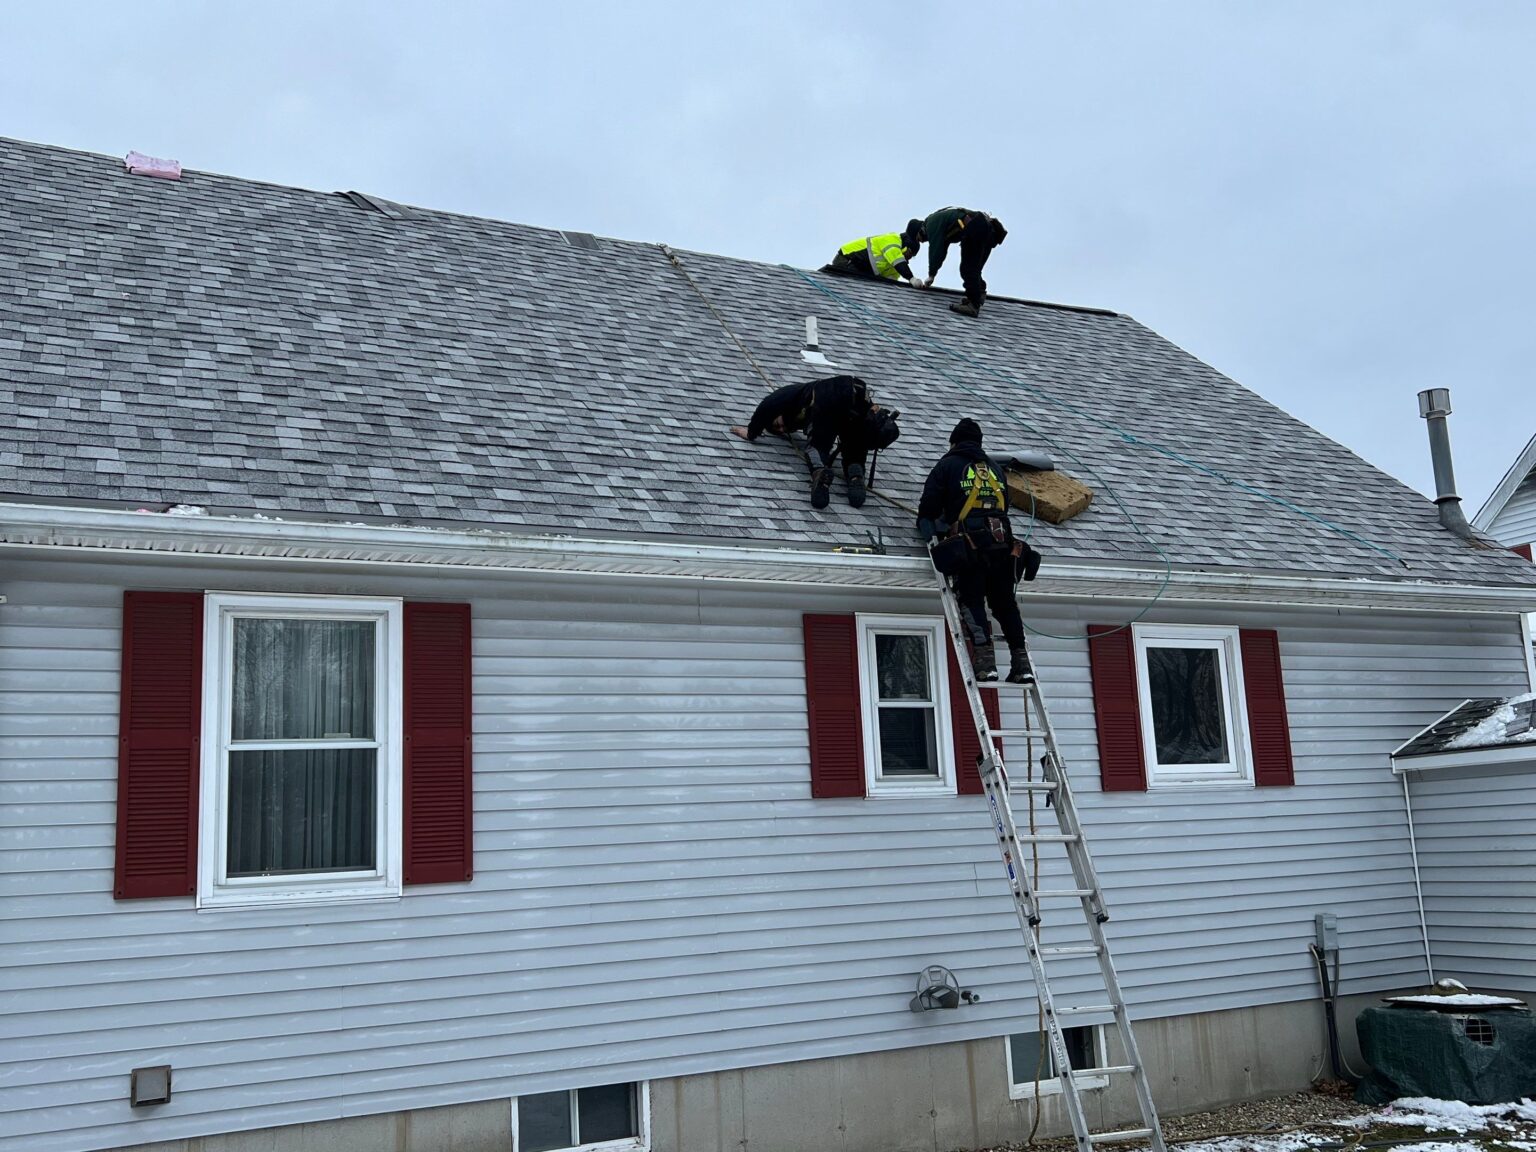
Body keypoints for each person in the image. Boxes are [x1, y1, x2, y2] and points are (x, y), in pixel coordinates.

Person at [917, 418, 1041, 682]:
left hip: (969, 548)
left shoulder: (947, 466)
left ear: (953, 442)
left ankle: (985, 662)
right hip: (1003, 545)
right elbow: (1003, 505)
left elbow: (928, 508)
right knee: (1005, 604)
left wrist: (931, 528)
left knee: (971, 600)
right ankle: (1022, 665)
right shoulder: (996, 469)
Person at [730, 376, 900, 509]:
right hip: (856, 401)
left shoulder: (796, 394)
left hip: (831, 396)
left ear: (778, 413)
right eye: (780, 431)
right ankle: (855, 474)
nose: (781, 429)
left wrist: (751, 432)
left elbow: (770, 402)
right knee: (854, 445)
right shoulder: (797, 420)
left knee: (816, 448)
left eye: (777, 424)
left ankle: (820, 473)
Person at [912, 207, 1007, 317]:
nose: (921, 242)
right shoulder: (938, 220)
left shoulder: (931, 225)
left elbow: (936, 249)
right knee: (974, 267)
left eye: (918, 239)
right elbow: (942, 249)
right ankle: (978, 293)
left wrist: (931, 274)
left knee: (967, 269)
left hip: (975, 227)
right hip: (987, 228)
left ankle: (973, 305)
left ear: (919, 230)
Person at [825, 220, 926, 284]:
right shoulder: (892, 240)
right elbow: (898, 261)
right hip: (847, 260)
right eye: (910, 254)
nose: (909, 258)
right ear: (907, 247)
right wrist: (912, 279)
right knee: (856, 285)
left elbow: (891, 281)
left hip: (859, 268)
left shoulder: (895, 266)